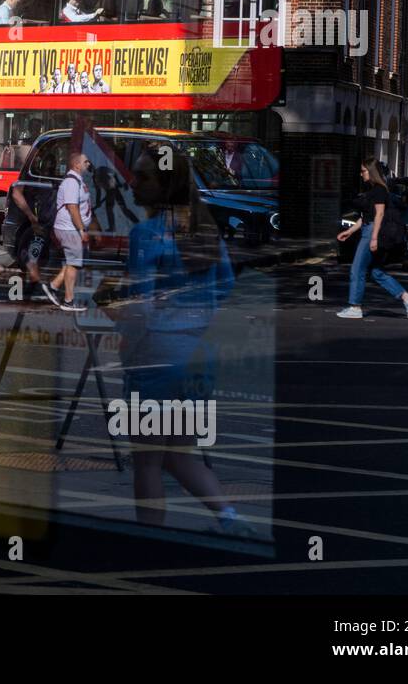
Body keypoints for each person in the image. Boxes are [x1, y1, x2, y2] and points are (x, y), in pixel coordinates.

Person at [96, 146, 251, 536]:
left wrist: (108, 305)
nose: (134, 182)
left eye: (145, 176)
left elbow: (141, 307)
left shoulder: (146, 235)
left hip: (158, 359)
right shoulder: (205, 230)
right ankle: (230, 519)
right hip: (198, 356)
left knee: (147, 461)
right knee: (178, 454)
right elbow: (226, 287)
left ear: (166, 186)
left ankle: (149, 543)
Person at [335, 157, 408, 320]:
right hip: (369, 228)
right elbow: (366, 217)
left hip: (372, 231)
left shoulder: (379, 189)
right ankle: (407, 298)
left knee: (357, 269)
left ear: (371, 172)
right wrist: (350, 231)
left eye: (363, 171)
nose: (361, 174)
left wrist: (373, 238)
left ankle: (355, 307)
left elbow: (379, 215)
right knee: (376, 272)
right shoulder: (374, 190)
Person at [44, 149, 96, 310]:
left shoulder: (78, 180)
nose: (88, 163)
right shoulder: (72, 182)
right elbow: (72, 207)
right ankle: (68, 301)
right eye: (85, 161)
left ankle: (53, 286)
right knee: (74, 263)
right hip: (70, 228)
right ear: (77, 165)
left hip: (70, 228)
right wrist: (82, 230)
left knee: (72, 261)